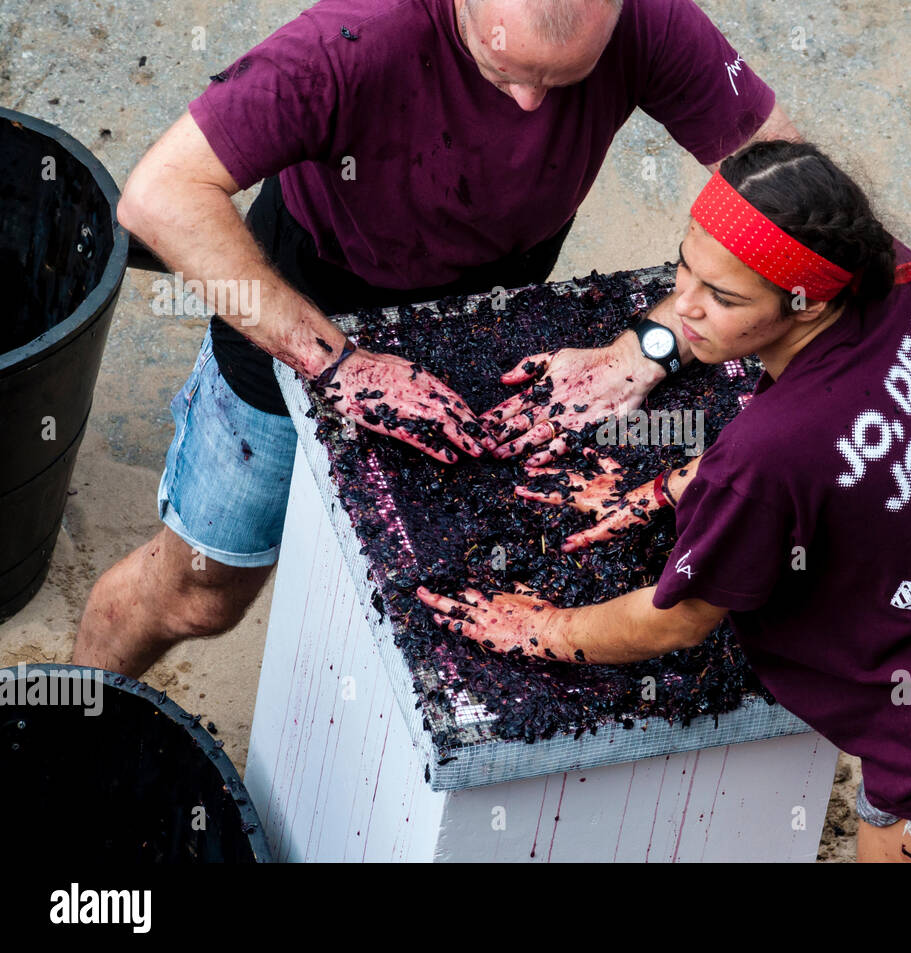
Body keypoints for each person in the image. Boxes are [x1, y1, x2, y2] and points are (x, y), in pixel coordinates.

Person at [417, 139, 911, 863]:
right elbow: (863, 446)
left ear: (809, 297)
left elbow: (674, 622)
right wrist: (670, 488)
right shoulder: (893, 275)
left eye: (725, 298)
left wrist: (542, 627)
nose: (686, 310)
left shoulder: (766, 457)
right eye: (686, 268)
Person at [74, 0, 799, 677]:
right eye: (504, 70)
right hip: (309, 299)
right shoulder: (355, 38)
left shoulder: (646, 19)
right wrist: (333, 363)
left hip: (488, 316)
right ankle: (68, 717)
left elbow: (793, 194)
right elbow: (157, 196)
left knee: (452, 576)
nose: (528, 108)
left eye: (562, 81)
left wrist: (654, 341)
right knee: (197, 596)